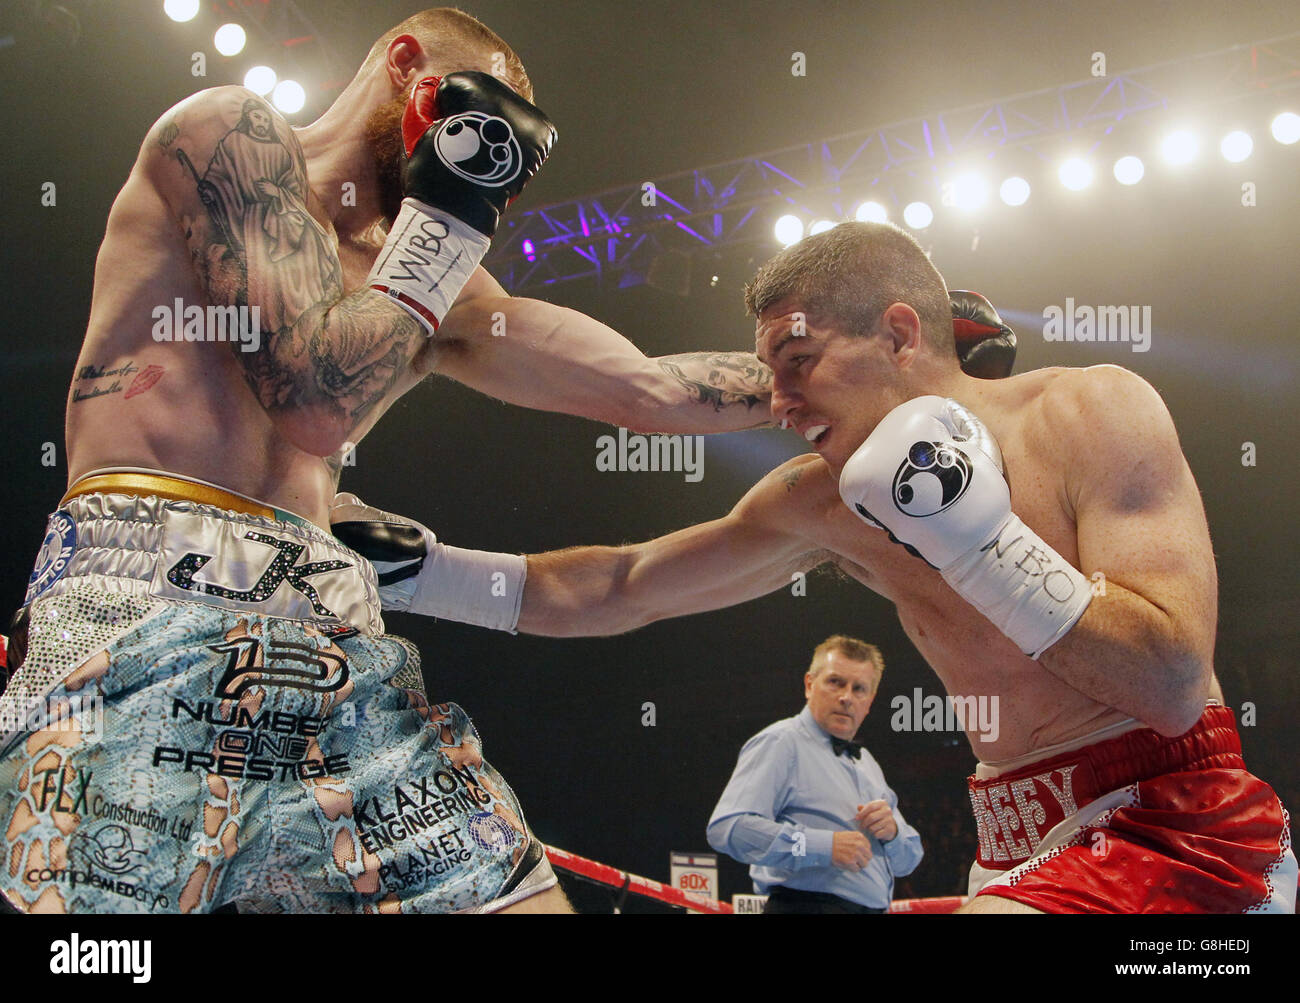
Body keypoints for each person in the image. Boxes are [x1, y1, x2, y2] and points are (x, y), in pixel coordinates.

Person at [0, 5, 790, 916]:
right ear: (408, 65)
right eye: (476, 110)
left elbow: (645, 390)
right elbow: (311, 394)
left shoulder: (433, 277)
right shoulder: (230, 136)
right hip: (141, 605)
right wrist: (450, 215)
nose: (493, 157)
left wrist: (850, 378)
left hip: (334, 636)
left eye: (509, 151)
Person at [496, 221, 1293, 914]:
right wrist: (420, 571)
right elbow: (624, 583)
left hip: (1166, 820)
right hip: (1013, 844)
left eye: (799, 359)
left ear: (902, 336)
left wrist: (978, 544)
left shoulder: (1092, 410)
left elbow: (1172, 687)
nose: (777, 404)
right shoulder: (824, 500)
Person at [708, 635, 922, 914]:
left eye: (859, 689)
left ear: (869, 701)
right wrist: (822, 846)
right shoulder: (782, 741)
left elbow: (910, 859)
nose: (846, 697)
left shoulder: (867, 763)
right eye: (835, 682)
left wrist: (893, 833)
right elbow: (729, 828)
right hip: (805, 906)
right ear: (810, 684)